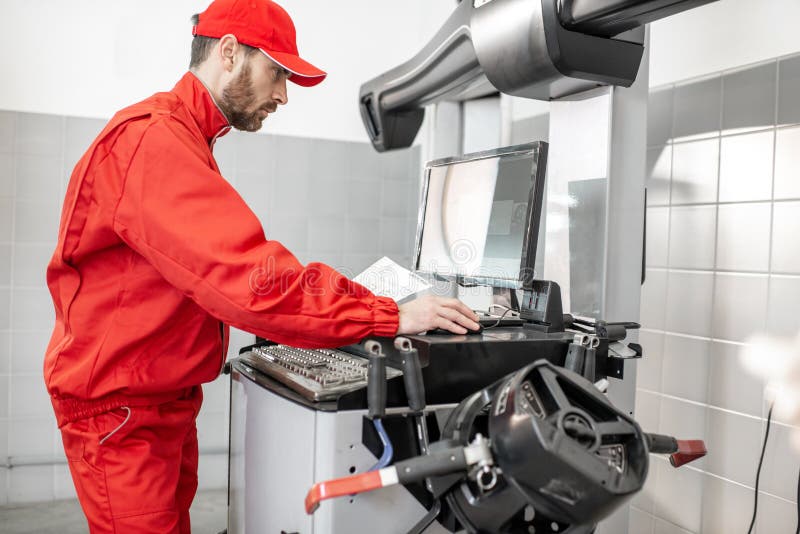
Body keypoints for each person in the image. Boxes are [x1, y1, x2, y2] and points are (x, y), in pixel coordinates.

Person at [43, 0, 480, 532]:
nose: (283, 95)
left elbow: (239, 271)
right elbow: (253, 283)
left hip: (158, 404)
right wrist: (389, 316)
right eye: (277, 72)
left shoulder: (182, 138)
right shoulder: (153, 141)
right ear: (229, 53)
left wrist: (372, 307)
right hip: (124, 415)